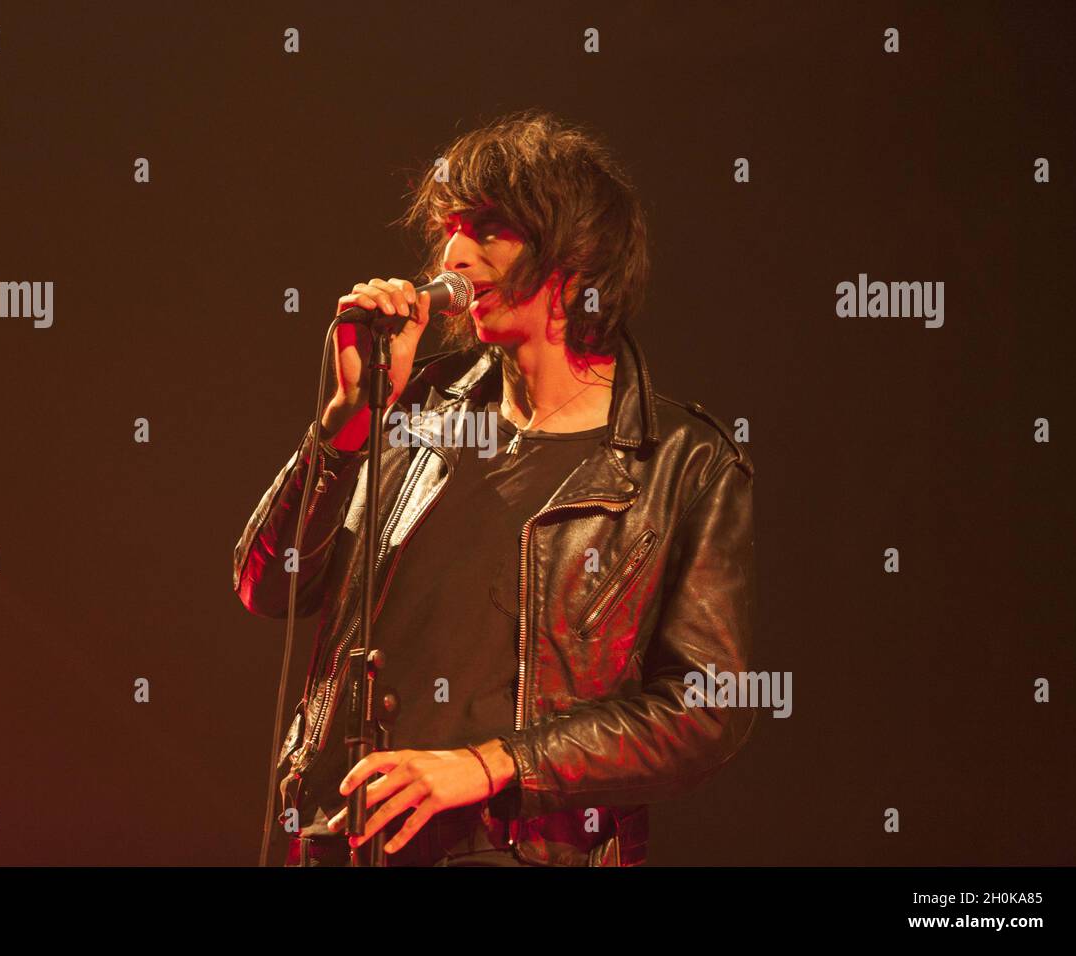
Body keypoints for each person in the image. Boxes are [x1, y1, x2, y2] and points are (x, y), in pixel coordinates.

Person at [234, 110, 757, 866]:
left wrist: (493, 764)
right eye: (449, 230)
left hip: (519, 850)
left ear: (576, 254)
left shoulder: (681, 464)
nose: (453, 254)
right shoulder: (414, 410)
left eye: (488, 229)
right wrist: (347, 422)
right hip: (341, 839)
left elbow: (706, 709)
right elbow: (268, 586)